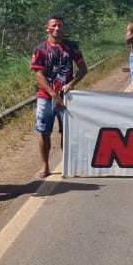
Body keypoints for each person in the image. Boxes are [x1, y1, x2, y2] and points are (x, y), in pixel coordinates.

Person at [31, 15, 87, 179]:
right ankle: (45, 166)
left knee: (67, 132)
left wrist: (72, 83)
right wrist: (53, 94)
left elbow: (83, 68)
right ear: (47, 28)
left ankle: (66, 164)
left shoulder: (71, 47)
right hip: (45, 97)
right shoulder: (40, 49)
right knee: (44, 132)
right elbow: (38, 75)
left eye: (60, 26)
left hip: (67, 98)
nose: (57, 28)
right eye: (54, 26)